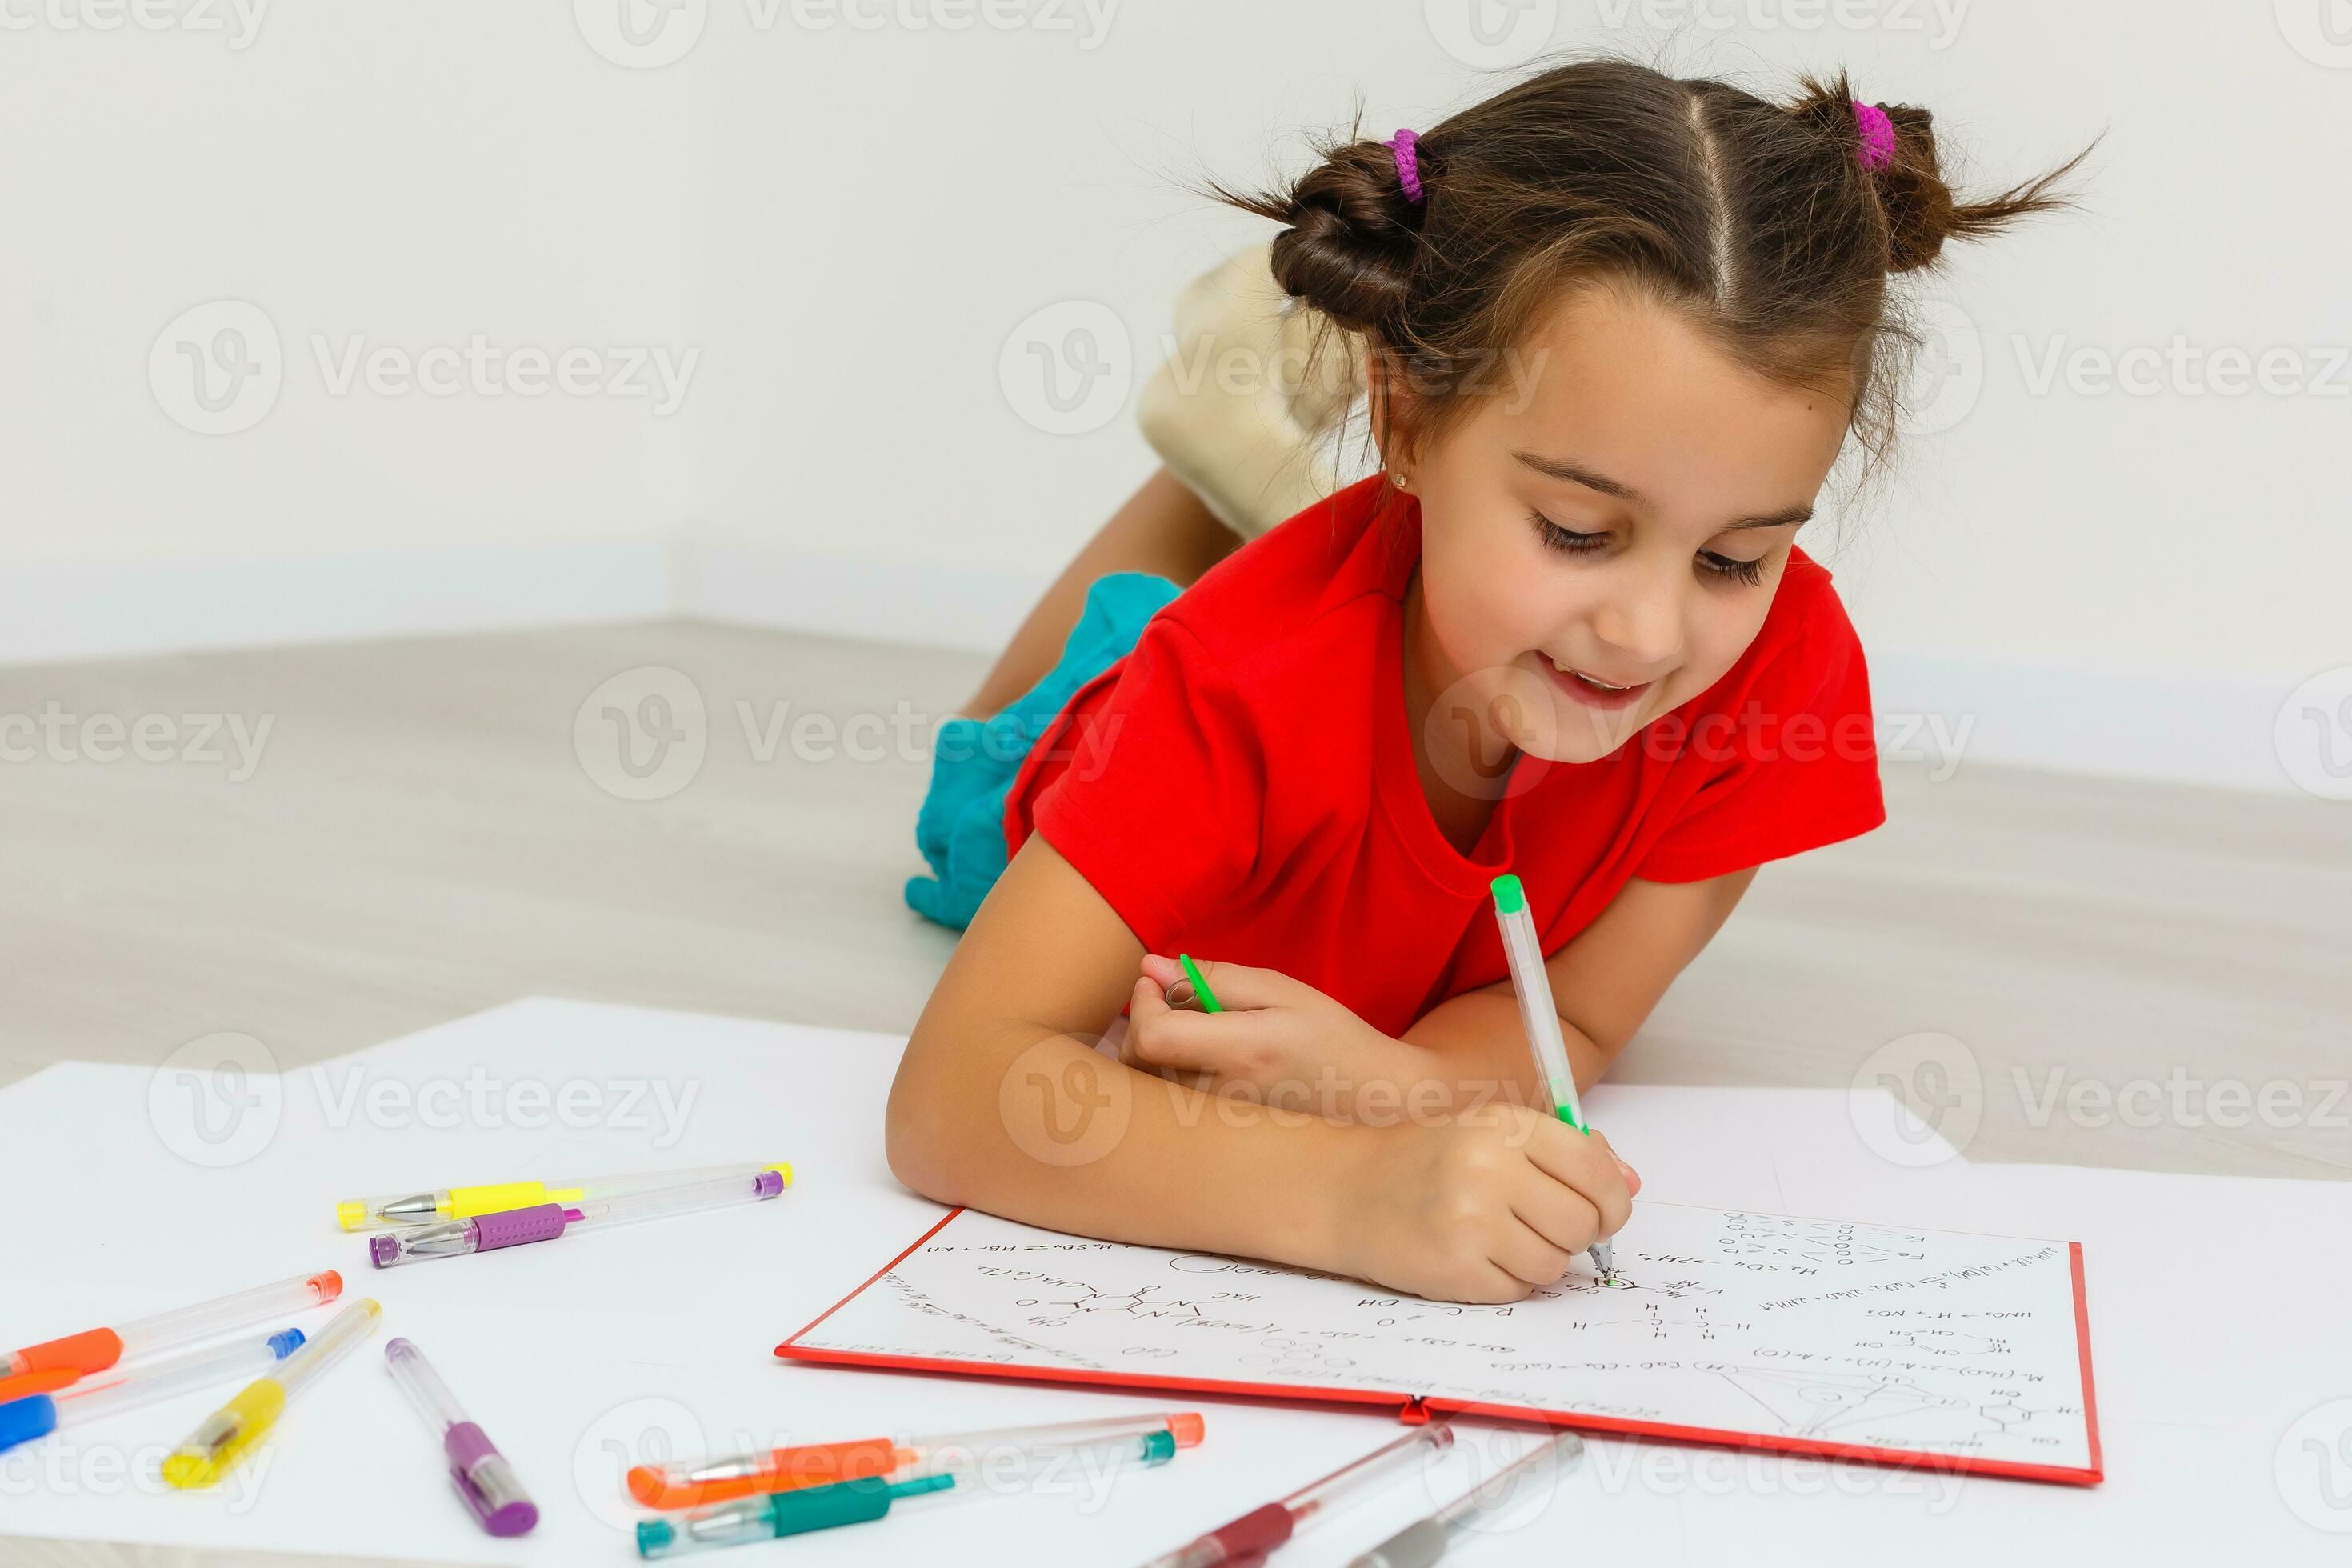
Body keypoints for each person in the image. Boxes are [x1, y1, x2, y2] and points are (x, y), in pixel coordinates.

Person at [889, 57, 2088, 1304]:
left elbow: (1577, 1021)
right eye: (1579, 531)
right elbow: (953, 1097)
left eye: (1734, 558)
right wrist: (1351, 1192)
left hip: (1387, 622)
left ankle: (1286, 499)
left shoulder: (1777, 671)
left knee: (1370, 605)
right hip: (1133, 721)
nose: (1645, 634)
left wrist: (1392, 1086)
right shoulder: (1231, 687)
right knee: (1043, 712)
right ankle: (1209, 468)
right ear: (1404, 420)